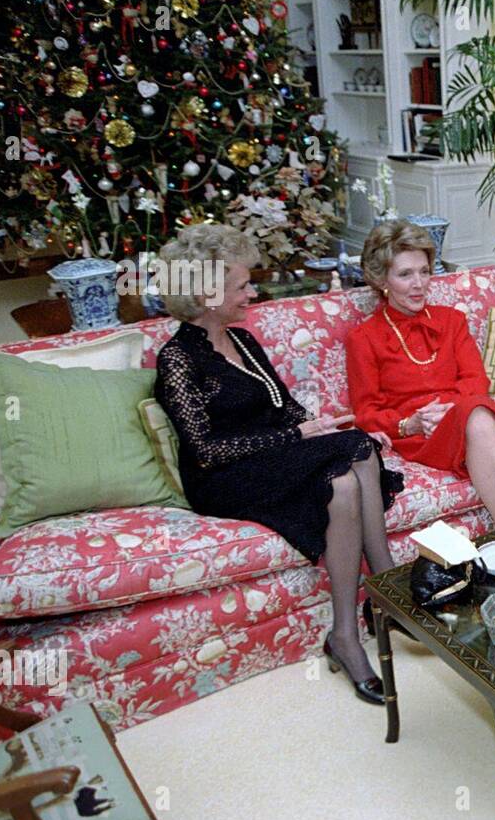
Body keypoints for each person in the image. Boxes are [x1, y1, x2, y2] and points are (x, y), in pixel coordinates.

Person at [154, 225, 402, 705]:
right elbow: (205, 450)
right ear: (207, 294)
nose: (253, 292)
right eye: (242, 285)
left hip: (271, 457)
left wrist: (317, 425)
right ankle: (388, 589)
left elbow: (283, 407)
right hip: (223, 478)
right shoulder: (178, 359)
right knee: (357, 447)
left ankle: (346, 635)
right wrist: (297, 435)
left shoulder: (243, 341)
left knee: (347, 478)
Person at [346, 220, 495, 528]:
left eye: (424, 271)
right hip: (420, 435)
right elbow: (366, 412)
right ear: (381, 280)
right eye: (405, 274)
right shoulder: (364, 338)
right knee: (479, 418)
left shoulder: (451, 321)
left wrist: (454, 410)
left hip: (465, 418)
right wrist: (407, 423)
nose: (419, 283)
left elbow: (476, 380)